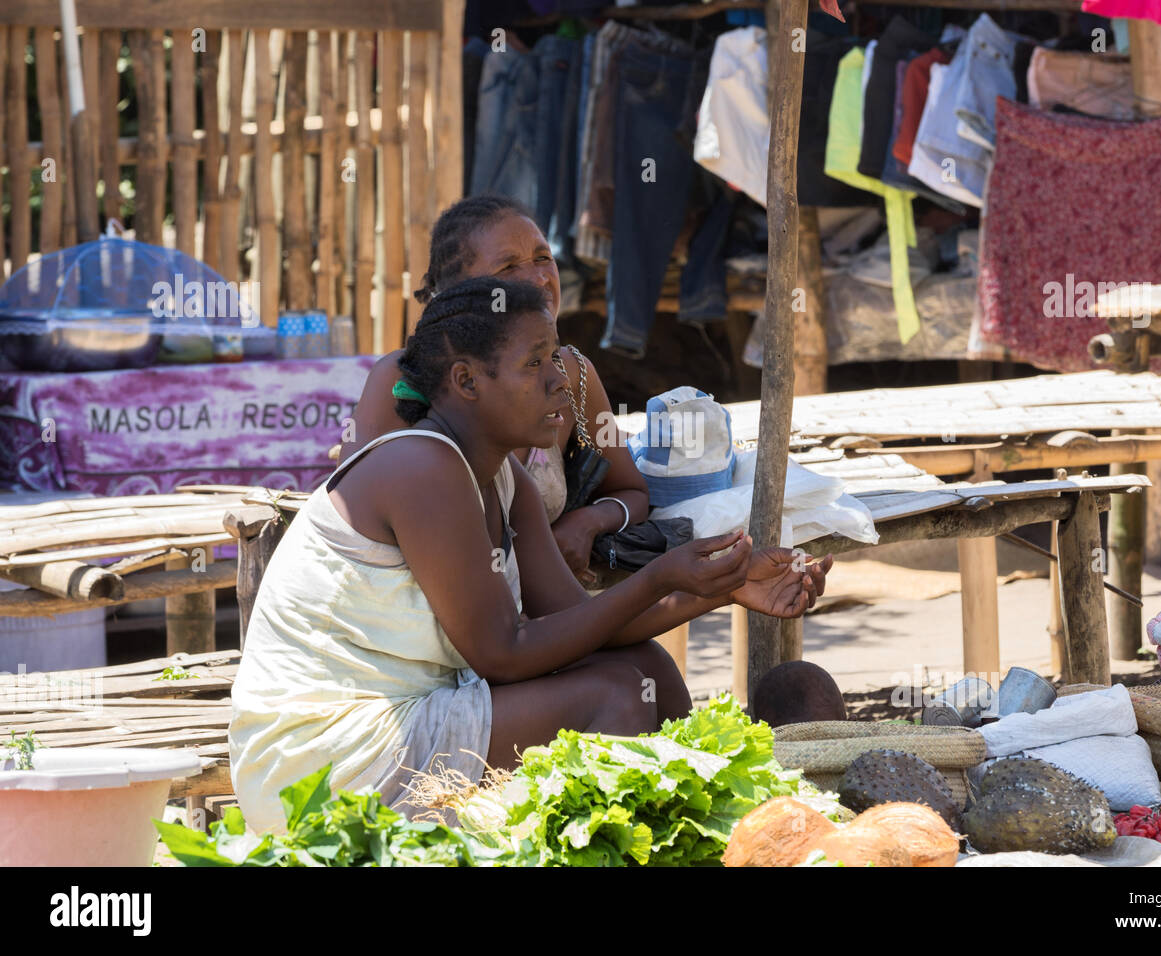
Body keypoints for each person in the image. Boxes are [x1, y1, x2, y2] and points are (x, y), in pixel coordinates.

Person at [230, 278, 832, 833]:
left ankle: (695, 836)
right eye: (535, 363)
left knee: (646, 669)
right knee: (615, 697)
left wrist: (723, 585)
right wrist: (659, 579)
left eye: (555, 359)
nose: (559, 382)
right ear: (466, 382)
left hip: (408, 720)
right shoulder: (423, 468)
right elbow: (505, 653)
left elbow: (580, 623)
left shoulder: (500, 476)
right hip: (316, 762)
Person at [342, 195, 644, 580]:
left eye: (542, 257)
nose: (538, 278)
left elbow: (633, 493)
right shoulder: (403, 381)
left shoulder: (569, 376)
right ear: (461, 291)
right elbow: (363, 535)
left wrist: (587, 522)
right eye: (508, 266)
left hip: (531, 610)